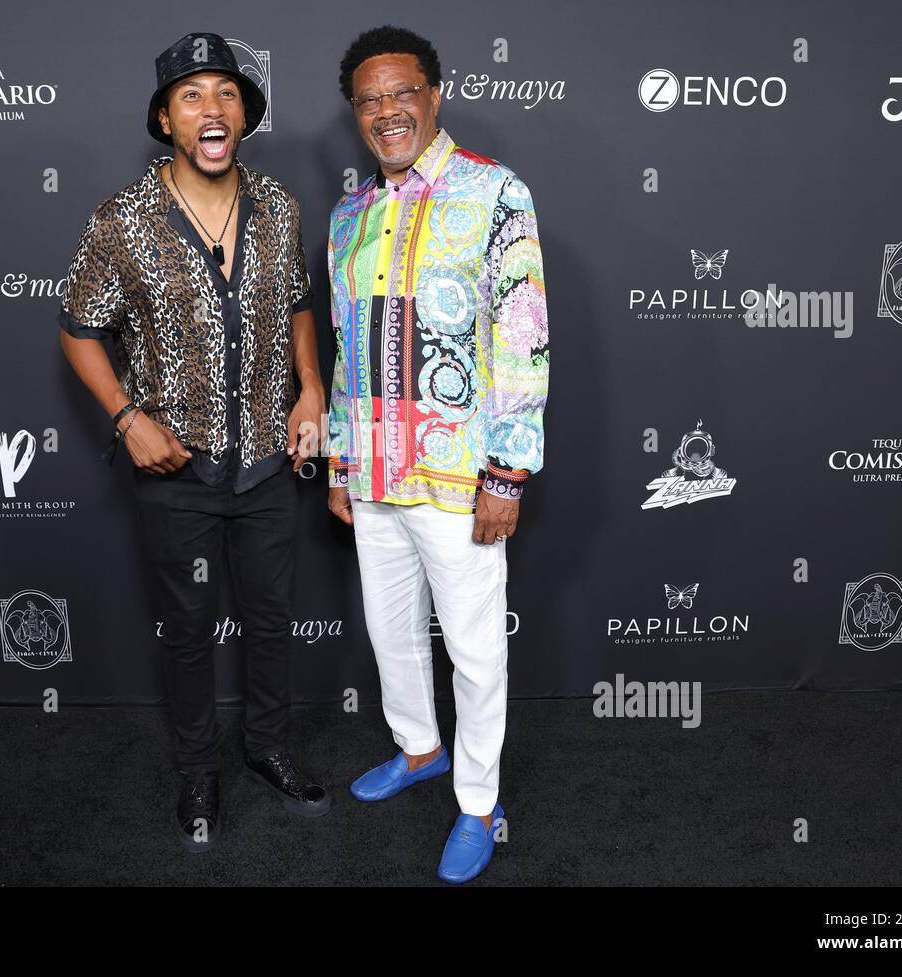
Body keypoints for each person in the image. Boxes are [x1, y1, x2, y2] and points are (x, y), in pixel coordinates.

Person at [58, 31, 330, 853]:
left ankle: (269, 746)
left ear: (245, 114)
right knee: (185, 627)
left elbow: (297, 305)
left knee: (272, 616)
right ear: (166, 121)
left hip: (269, 464)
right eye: (191, 97)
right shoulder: (123, 219)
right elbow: (77, 328)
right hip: (175, 466)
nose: (212, 109)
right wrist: (124, 418)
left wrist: (312, 386)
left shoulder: (279, 206)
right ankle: (198, 769)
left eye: (227, 94)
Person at [326, 25, 549, 883]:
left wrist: (507, 470)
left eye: (402, 93)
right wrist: (342, 461)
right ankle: (418, 748)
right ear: (357, 113)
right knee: (391, 636)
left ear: (435, 94)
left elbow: (523, 337)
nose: (388, 112)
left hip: (461, 475)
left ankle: (479, 802)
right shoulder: (350, 215)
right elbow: (349, 350)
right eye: (369, 100)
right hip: (376, 473)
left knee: (474, 648)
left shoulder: (495, 192)